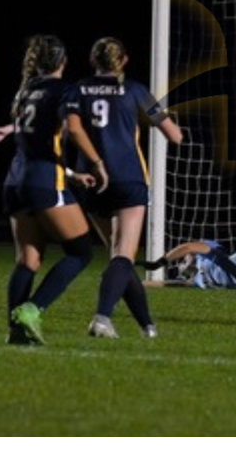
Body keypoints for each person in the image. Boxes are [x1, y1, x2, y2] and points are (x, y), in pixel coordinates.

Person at [0, 35, 100, 345]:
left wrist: (71, 174)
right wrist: (97, 163)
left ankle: (16, 332)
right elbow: (73, 129)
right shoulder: (65, 89)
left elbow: (35, 140)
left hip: (15, 182)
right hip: (44, 181)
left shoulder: (27, 90)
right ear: (63, 61)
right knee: (80, 252)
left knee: (28, 260)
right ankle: (32, 309)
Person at [65, 38, 183, 338]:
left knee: (118, 256)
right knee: (123, 257)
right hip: (128, 177)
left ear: (93, 60)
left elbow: (67, 131)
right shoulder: (134, 90)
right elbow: (174, 135)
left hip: (91, 180)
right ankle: (102, 318)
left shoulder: (78, 89)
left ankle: (148, 326)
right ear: (124, 60)